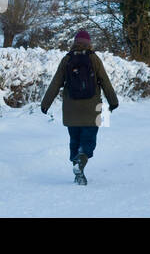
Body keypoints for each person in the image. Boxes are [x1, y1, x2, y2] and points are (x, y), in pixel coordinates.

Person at [40, 30, 118, 185]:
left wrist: (45, 103)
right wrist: (113, 101)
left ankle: (78, 171)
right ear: (89, 44)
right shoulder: (94, 59)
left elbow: (56, 83)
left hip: (71, 110)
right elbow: (105, 81)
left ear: (74, 43)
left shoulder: (67, 59)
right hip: (92, 109)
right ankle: (80, 163)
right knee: (88, 142)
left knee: (74, 140)